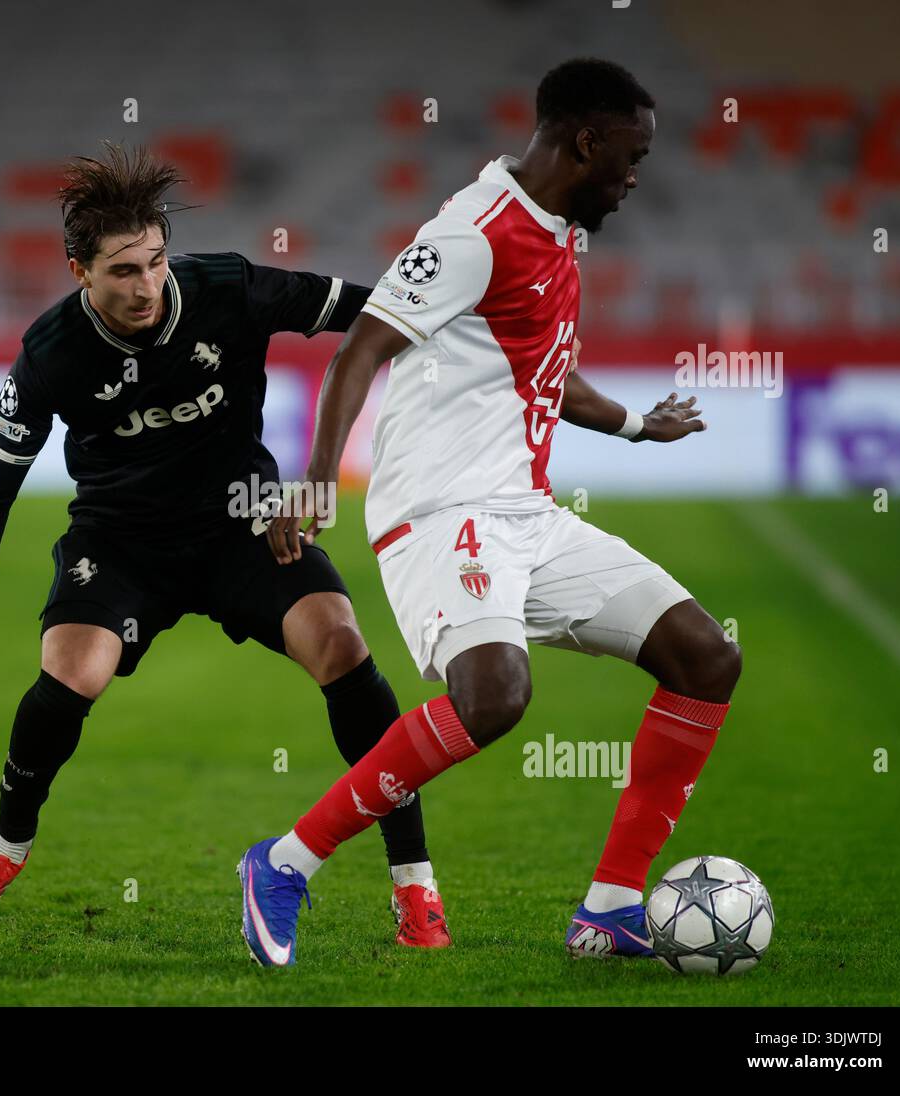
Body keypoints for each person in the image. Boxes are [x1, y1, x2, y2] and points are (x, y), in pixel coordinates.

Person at [238, 58, 741, 965]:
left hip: (524, 512)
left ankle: (610, 909)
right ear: (586, 141)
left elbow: (542, 370)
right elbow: (359, 351)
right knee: (494, 696)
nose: (635, 179)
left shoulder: (557, 233)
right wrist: (316, 479)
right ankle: (283, 863)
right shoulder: (473, 231)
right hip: (439, 511)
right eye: (632, 157)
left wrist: (635, 425)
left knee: (706, 656)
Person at [0, 143, 451, 949]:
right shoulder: (50, 353)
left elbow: (371, 317)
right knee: (72, 670)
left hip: (243, 522)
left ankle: (414, 885)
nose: (146, 285)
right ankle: (2, 850)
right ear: (78, 271)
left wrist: (476, 321)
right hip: (121, 541)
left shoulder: (227, 288)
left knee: (341, 643)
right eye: (122, 270)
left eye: (156, 261)